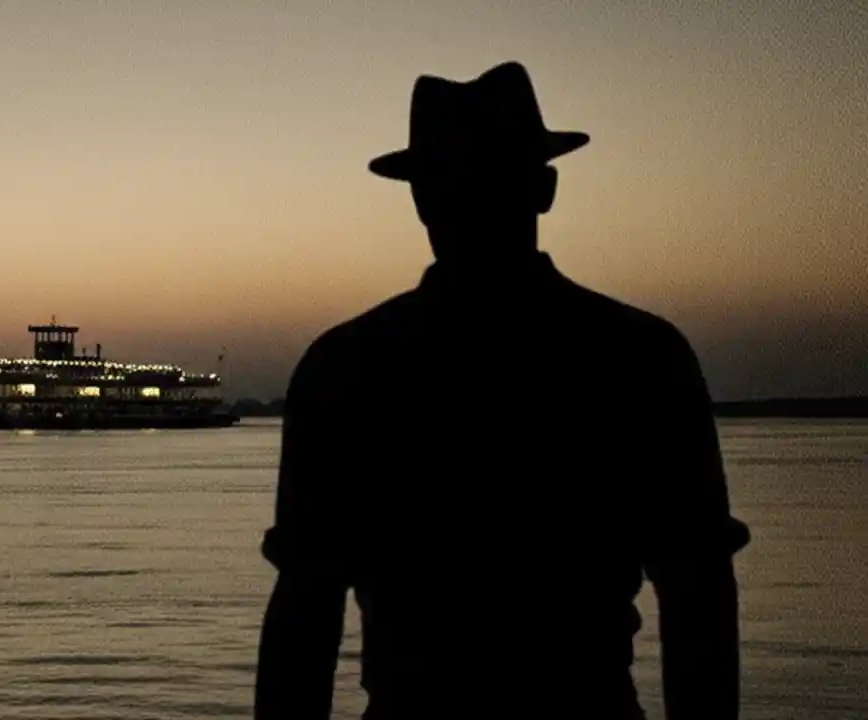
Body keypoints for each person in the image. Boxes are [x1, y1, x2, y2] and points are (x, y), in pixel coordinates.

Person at [253, 61, 750, 719]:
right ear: (545, 188)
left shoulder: (344, 367)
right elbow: (698, 600)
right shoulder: (643, 357)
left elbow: (306, 613)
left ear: (420, 197)